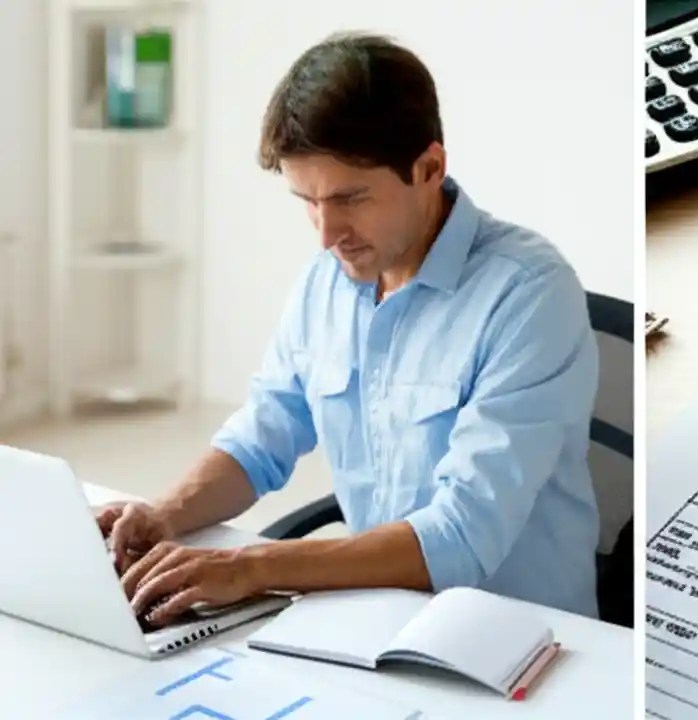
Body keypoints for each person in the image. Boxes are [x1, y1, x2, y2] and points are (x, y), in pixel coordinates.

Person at [93, 32, 601, 624]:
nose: (325, 233)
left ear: (429, 167)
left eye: (350, 198)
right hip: (378, 618)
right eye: (307, 201)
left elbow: (461, 535)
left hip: (525, 641)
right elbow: (264, 434)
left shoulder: (530, 295)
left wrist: (253, 567)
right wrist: (165, 515)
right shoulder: (327, 280)